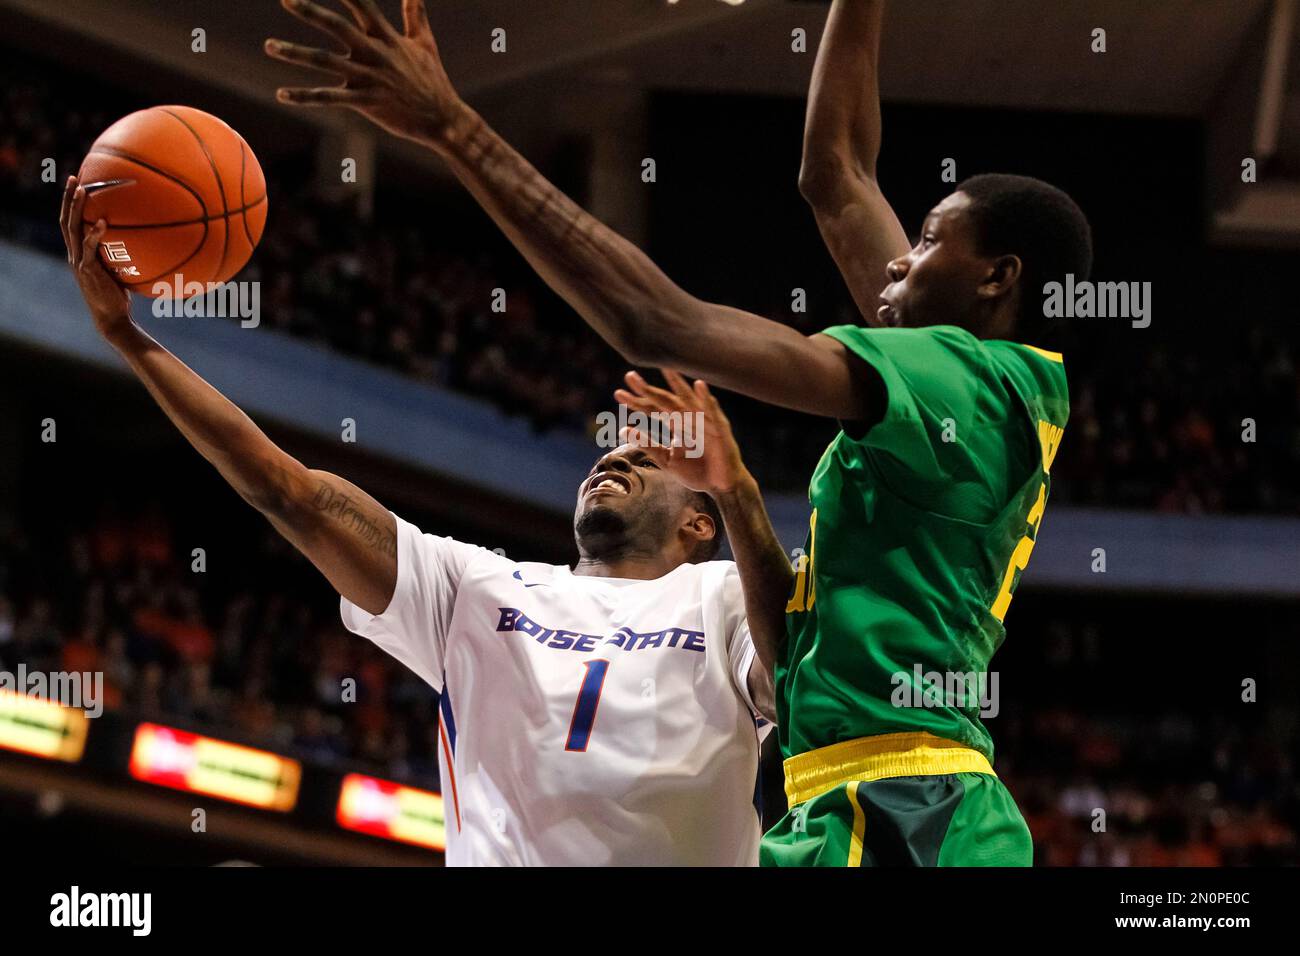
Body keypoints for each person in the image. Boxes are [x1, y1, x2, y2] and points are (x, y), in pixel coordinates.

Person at [267, 0, 1090, 866]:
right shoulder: (957, 385)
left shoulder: (970, 381)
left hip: (911, 806)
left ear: (998, 278)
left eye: (927, 241)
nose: (898, 259)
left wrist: (452, 127)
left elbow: (657, 324)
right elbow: (837, 175)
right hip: (853, 796)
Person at [58, 177, 782, 866]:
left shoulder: (720, 594)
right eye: (607, 455)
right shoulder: (477, 586)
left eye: (649, 462)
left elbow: (798, 680)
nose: (611, 464)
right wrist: (128, 338)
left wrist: (739, 491)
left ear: (698, 524)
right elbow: (291, 493)